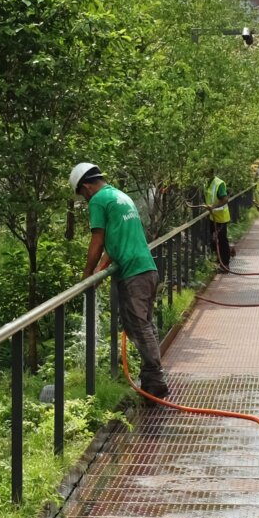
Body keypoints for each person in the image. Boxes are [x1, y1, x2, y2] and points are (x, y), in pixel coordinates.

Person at [72, 162, 170, 398]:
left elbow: (98, 239)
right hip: (147, 268)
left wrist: (86, 275)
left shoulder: (98, 200)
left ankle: (156, 382)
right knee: (144, 324)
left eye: (82, 195)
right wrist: (100, 270)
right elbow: (115, 244)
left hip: (133, 273)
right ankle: (150, 379)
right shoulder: (119, 196)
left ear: (86, 187)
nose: (85, 201)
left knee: (139, 326)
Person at [204, 173, 234, 271]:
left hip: (221, 217)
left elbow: (225, 199)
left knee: (221, 241)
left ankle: (225, 264)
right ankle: (221, 259)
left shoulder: (218, 183)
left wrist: (213, 207)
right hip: (213, 217)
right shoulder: (207, 182)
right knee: (214, 240)